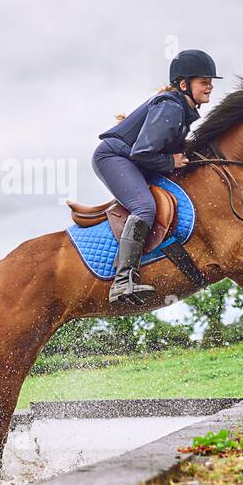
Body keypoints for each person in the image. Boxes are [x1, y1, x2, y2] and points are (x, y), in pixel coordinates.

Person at [93, 49, 218, 304]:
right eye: (204, 82)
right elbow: (142, 153)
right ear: (184, 84)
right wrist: (170, 161)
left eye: (211, 82)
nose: (210, 87)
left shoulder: (182, 110)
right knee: (145, 207)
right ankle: (122, 281)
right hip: (114, 158)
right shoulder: (171, 106)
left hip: (132, 160)